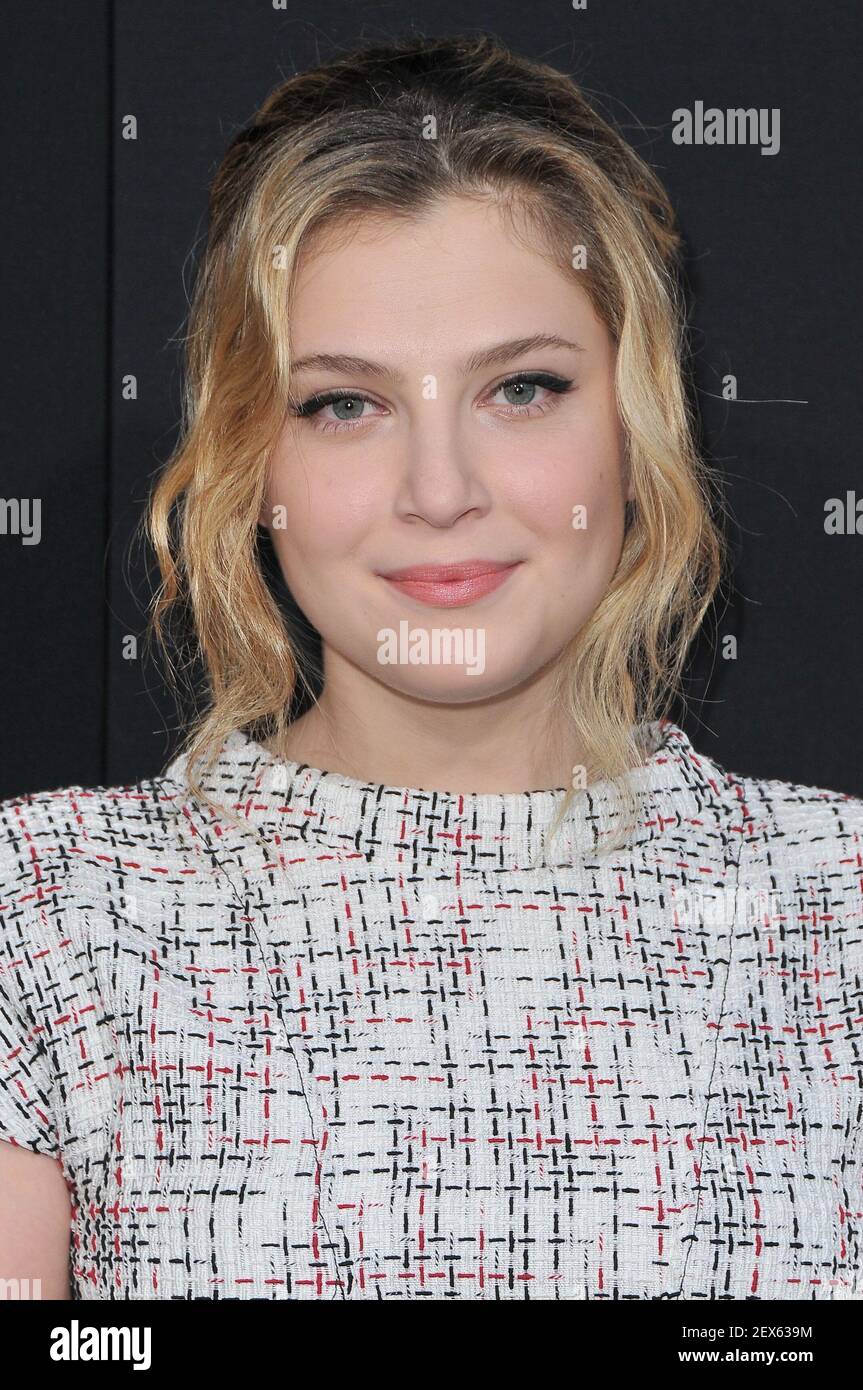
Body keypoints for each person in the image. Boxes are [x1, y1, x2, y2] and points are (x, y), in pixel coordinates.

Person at [1, 34, 860, 1302]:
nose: (439, 492)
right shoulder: (52, 916)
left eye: (519, 389)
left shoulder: (837, 914)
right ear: (249, 456)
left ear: (634, 425)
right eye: (343, 404)